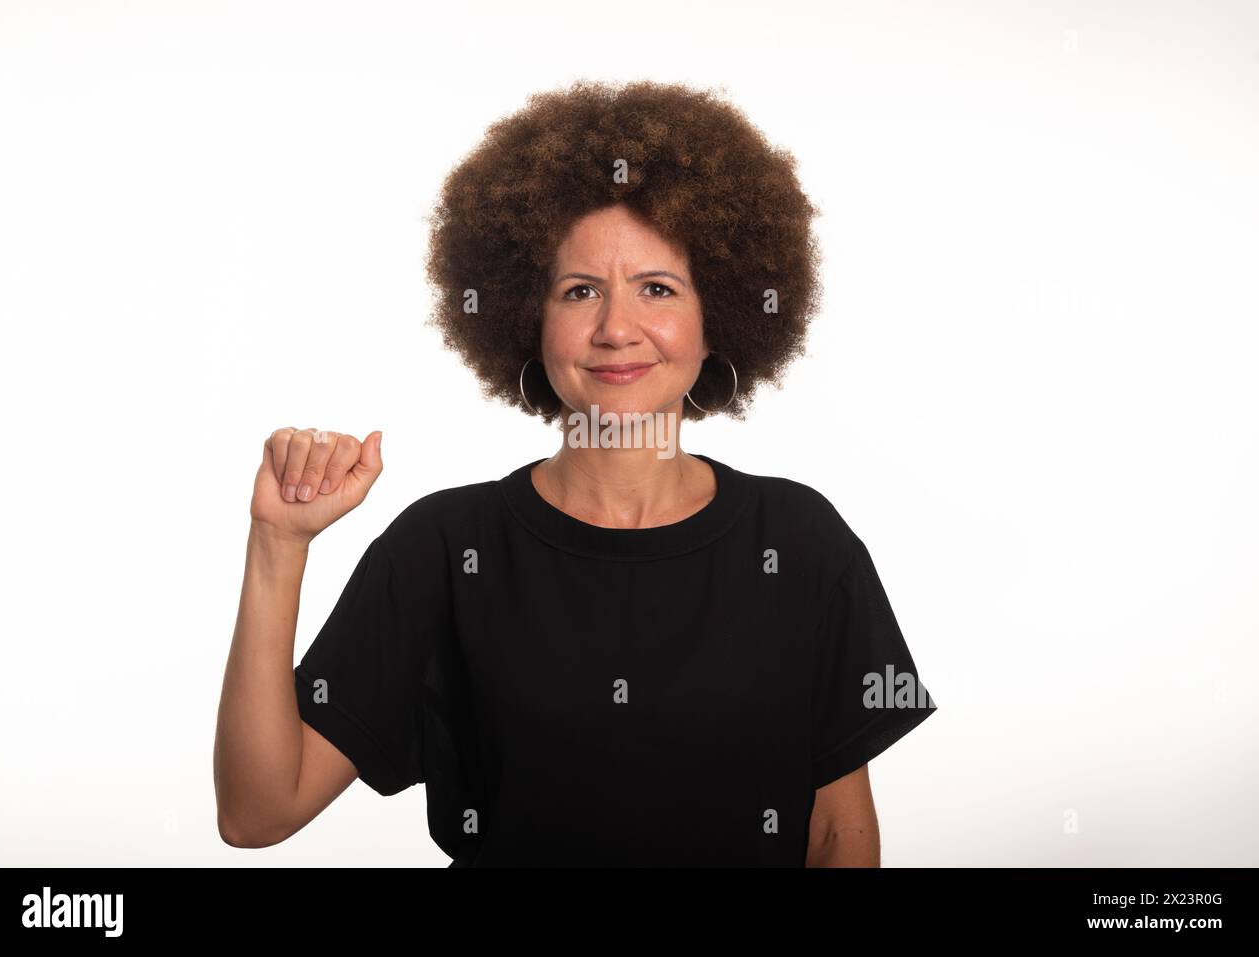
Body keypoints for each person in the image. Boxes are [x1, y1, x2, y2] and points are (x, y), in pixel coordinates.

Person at [213, 79, 936, 866]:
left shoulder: (800, 543)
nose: (616, 328)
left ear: (713, 320)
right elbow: (257, 810)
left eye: (657, 289)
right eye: (580, 290)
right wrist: (276, 546)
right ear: (531, 318)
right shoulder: (446, 547)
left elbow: (838, 830)